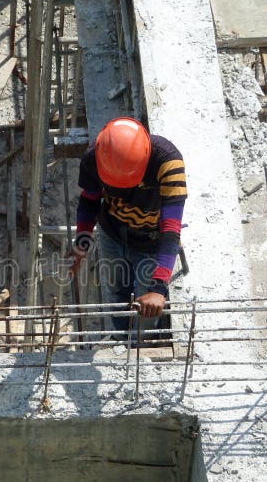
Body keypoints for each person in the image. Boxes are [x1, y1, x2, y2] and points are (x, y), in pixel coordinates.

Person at [70, 117, 187, 335]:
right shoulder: (94, 158)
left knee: (147, 304)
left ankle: (142, 339)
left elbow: (171, 229)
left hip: (151, 242)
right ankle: (120, 336)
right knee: (116, 289)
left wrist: (159, 288)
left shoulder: (168, 162)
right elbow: (89, 201)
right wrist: (82, 243)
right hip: (112, 234)